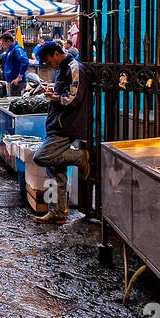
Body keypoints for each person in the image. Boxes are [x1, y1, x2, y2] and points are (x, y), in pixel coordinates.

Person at [31, 41, 91, 225]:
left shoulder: (74, 67)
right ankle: (57, 212)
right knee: (56, 171)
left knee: (42, 157)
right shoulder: (61, 70)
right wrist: (53, 91)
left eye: (49, 62)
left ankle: (79, 157)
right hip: (57, 123)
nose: (50, 66)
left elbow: (74, 98)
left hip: (66, 125)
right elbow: (65, 92)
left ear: (58, 53)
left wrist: (55, 97)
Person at [0, 32, 30, 96]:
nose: (2, 45)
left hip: (18, 83)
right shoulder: (9, 50)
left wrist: (19, 77)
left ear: (8, 41)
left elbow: (25, 61)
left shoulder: (17, 49)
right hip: (11, 82)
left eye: (3, 43)